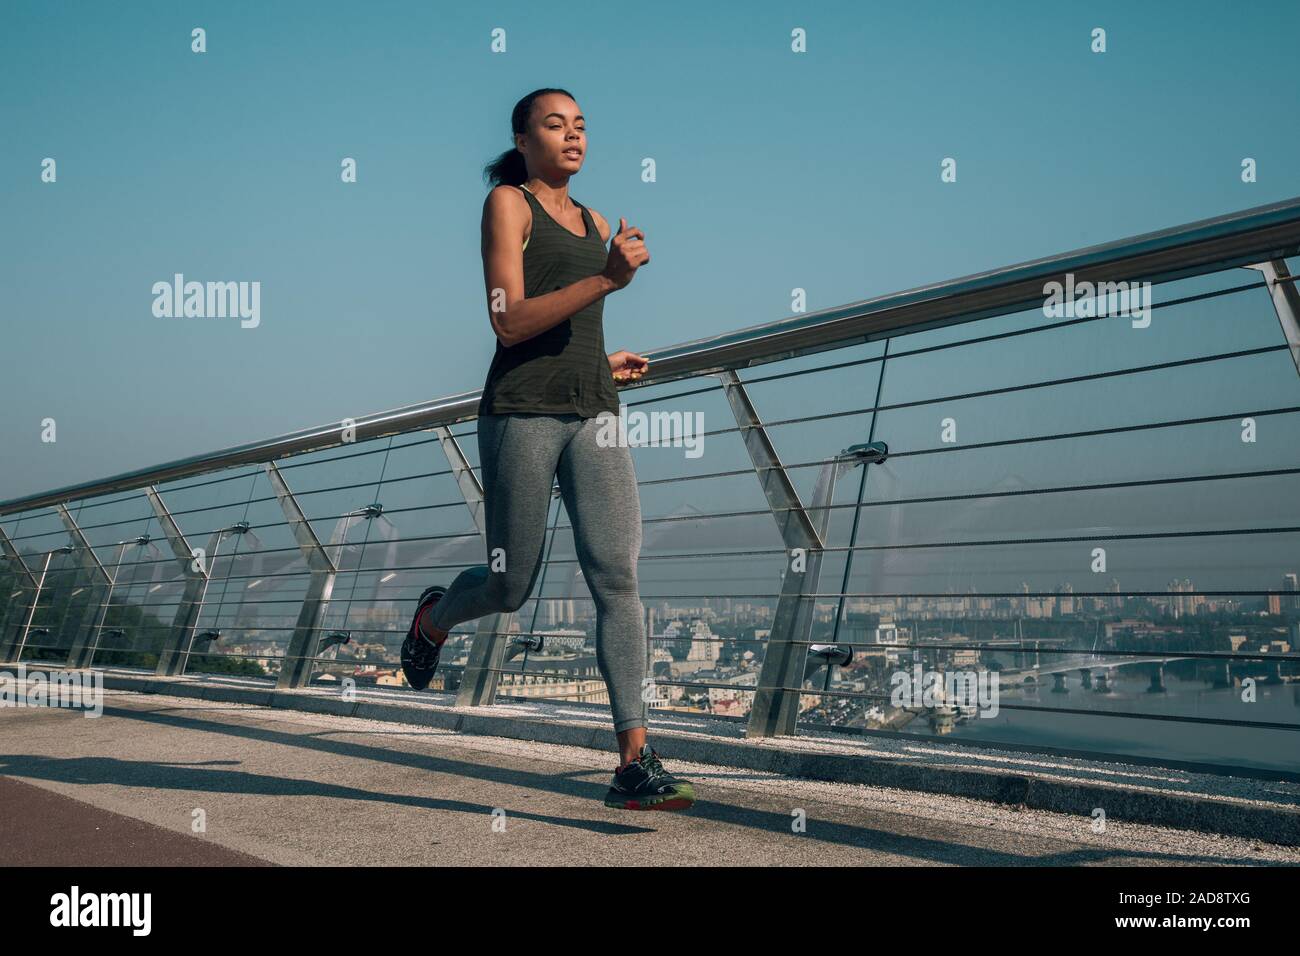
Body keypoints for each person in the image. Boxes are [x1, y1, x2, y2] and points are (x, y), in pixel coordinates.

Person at [400, 88, 695, 812]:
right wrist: (607, 278)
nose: (572, 136)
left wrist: (602, 357)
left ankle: (635, 761)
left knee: (616, 577)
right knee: (511, 586)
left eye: (581, 125)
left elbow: (572, 320)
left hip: (593, 406)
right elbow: (508, 321)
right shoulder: (509, 204)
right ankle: (433, 619)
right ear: (523, 139)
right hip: (522, 412)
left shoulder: (597, 220)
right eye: (555, 124)